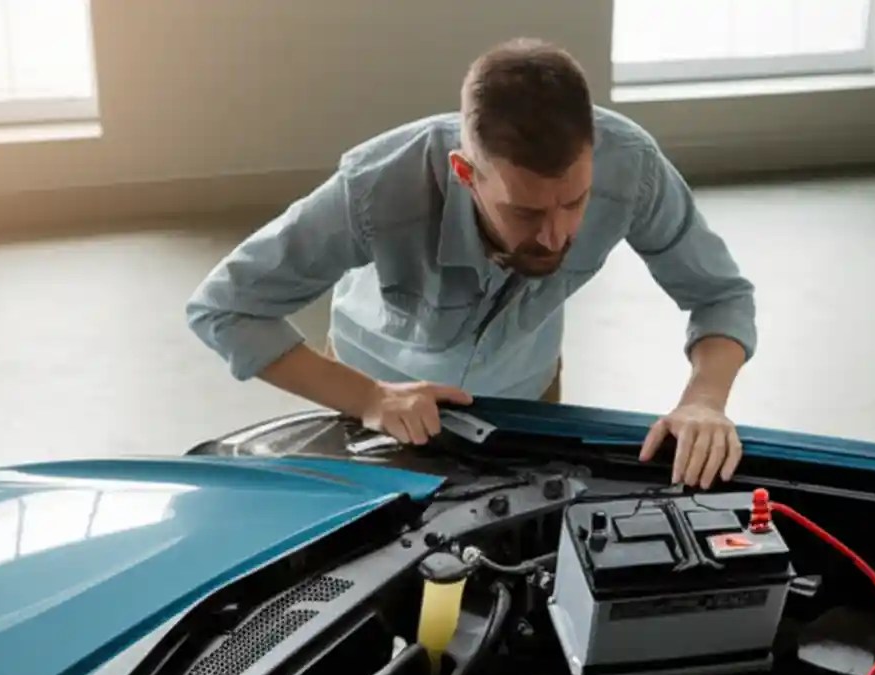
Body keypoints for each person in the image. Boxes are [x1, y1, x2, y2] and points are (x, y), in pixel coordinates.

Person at [186, 38, 756, 489]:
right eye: (525, 211)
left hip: (527, 399)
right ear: (465, 173)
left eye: (576, 201)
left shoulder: (632, 165)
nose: (556, 236)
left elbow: (720, 294)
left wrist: (704, 401)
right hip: (373, 399)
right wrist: (370, 398)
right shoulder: (375, 188)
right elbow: (223, 309)